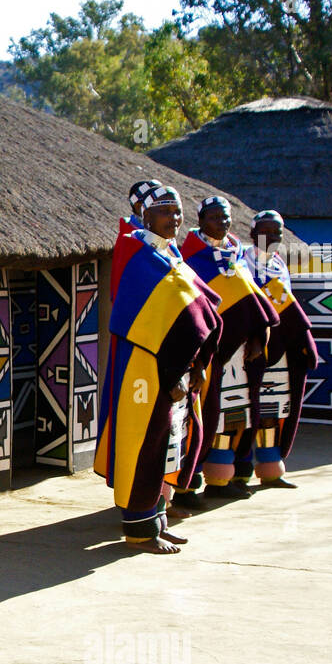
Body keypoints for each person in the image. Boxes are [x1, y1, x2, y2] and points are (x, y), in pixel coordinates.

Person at [95, 185, 221, 554]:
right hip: (143, 364)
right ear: (145, 215)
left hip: (172, 366)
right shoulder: (134, 251)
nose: (175, 219)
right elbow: (148, 318)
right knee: (143, 442)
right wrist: (170, 373)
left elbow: (201, 307)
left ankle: (157, 521)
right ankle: (139, 531)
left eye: (178, 212)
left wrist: (196, 362)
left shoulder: (170, 253)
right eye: (166, 211)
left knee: (167, 441)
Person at [179, 197, 280, 500]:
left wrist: (259, 335)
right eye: (213, 217)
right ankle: (187, 484)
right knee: (199, 418)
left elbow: (253, 300)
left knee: (233, 415)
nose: (221, 223)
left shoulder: (235, 256)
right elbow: (194, 307)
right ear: (200, 220)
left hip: (238, 355)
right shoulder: (192, 257)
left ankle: (222, 479)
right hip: (206, 353)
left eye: (225, 218)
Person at [237, 210, 319, 488]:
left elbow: (287, 306)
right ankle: (239, 473)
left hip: (278, 350)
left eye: (277, 232)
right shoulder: (240, 261)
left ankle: (270, 470)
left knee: (271, 410)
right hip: (247, 349)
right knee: (244, 410)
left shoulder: (280, 265)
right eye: (265, 231)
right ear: (252, 232)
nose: (271, 237)